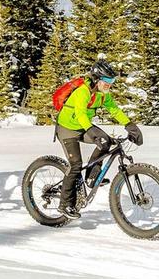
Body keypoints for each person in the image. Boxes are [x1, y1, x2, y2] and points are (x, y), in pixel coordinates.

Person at [54, 59, 142, 218]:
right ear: (97, 79)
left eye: (112, 81)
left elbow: (114, 110)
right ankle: (65, 204)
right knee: (76, 165)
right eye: (107, 81)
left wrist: (130, 125)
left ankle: (91, 177)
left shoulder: (103, 95)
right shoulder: (83, 91)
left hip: (82, 126)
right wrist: (92, 131)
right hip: (67, 129)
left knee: (106, 142)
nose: (110, 84)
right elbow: (80, 114)